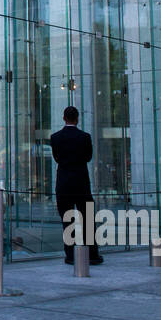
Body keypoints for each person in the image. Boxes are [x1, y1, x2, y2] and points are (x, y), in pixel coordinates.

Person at [52, 106, 102, 265]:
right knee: (87, 219)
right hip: (81, 182)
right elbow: (88, 157)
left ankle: (70, 255)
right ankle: (92, 254)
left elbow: (57, 158)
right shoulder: (85, 137)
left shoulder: (55, 137)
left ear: (63, 118)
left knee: (67, 221)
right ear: (77, 118)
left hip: (64, 183)